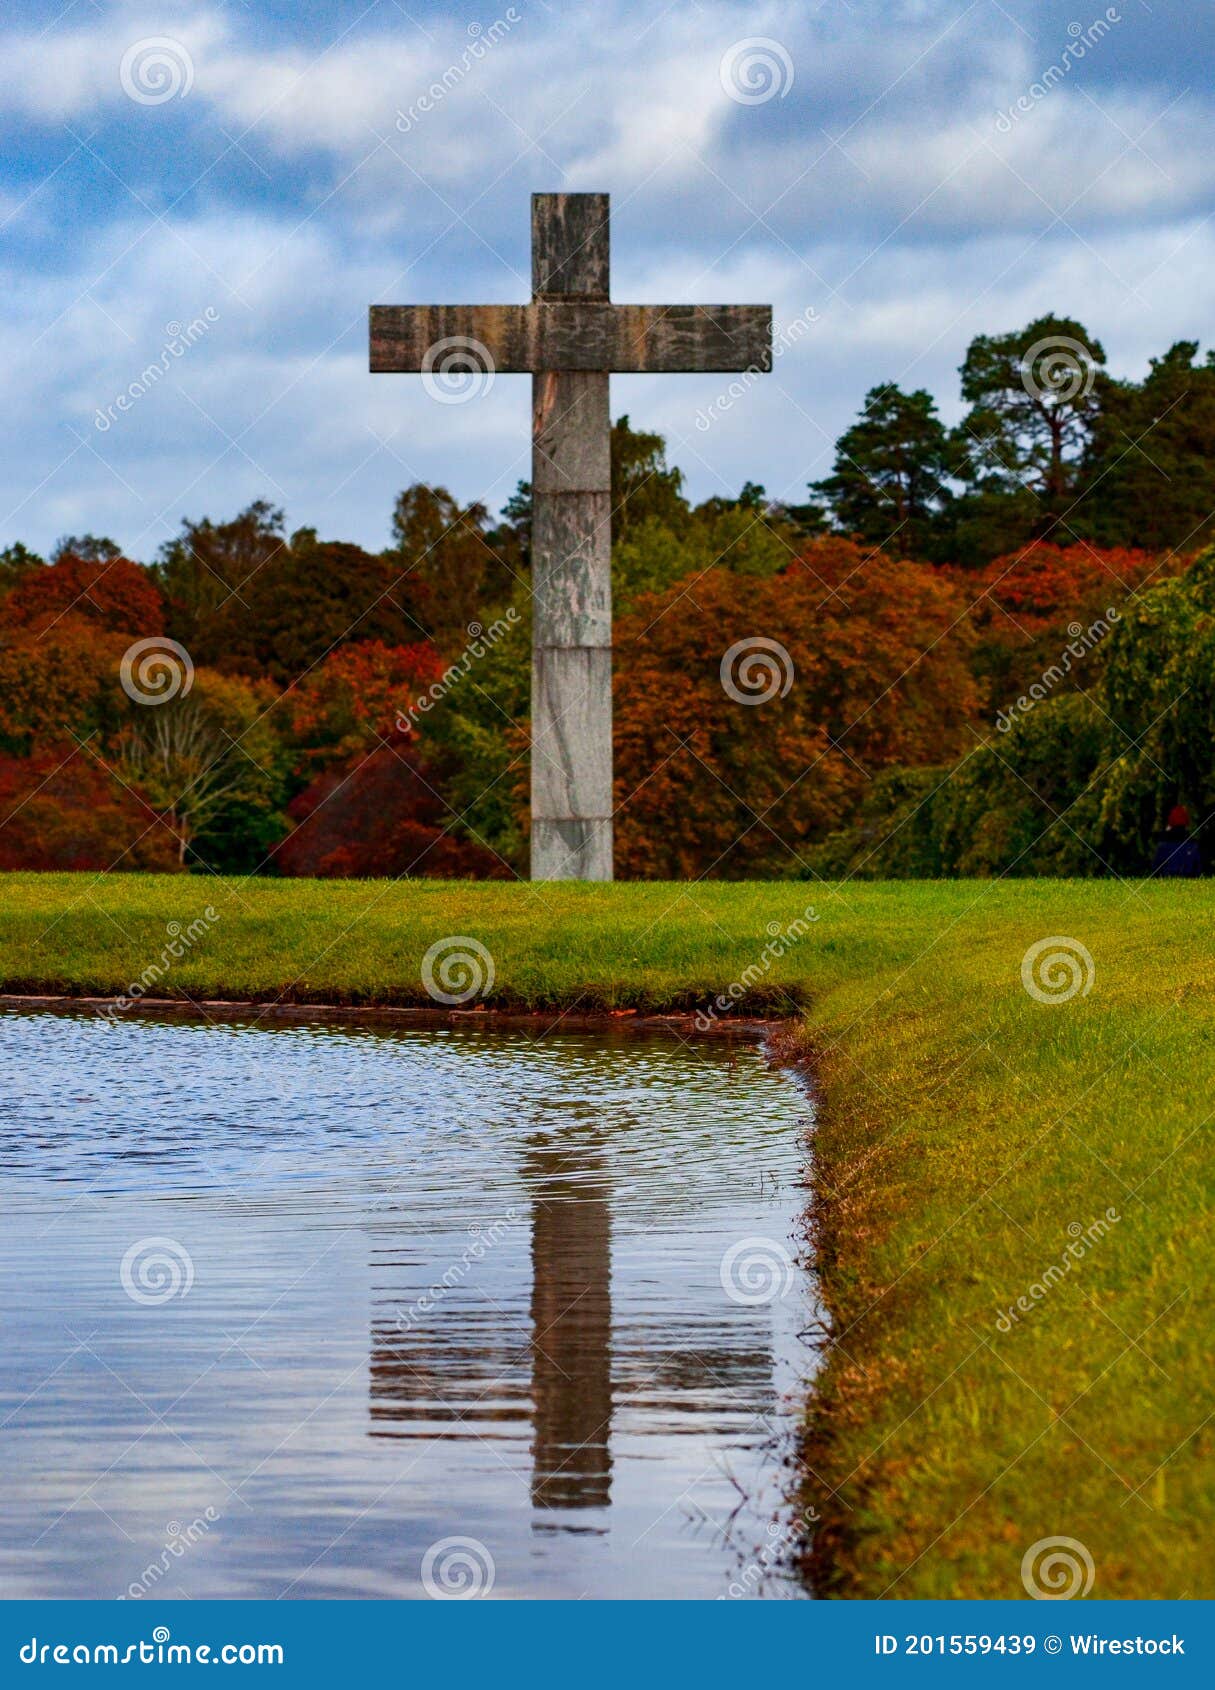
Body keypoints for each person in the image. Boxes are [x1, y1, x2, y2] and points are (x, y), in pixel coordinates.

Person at [1151, 805, 1203, 878]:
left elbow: (1155, 870)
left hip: (1166, 879)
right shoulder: (1193, 845)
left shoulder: (1162, 845)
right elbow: (1197, 870)